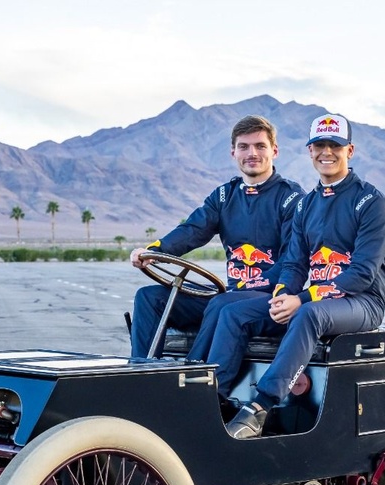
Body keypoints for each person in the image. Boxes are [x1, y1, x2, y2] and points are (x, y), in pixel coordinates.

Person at [212, 113, 385, 439]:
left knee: (308, 313)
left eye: (335, 145)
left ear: (349, 151)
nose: (327, 152)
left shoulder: (371, 203)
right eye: (320, 145)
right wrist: (282, 295)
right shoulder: (306, 205)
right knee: (234, 312)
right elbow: (294, 264)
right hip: (320, 301)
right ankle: (214, 401)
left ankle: (260, 407)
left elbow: (362, 275)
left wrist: (303, 298)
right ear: (310, 151)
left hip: (362, 303)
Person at [128, 115, 303, 360]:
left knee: (221, 304)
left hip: (271, 300)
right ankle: (141, 373)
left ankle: (193, 376)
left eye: (260, 146)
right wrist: (155, 251)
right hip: (231, 295)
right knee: (149, 297)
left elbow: (291, 263)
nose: (251, 153)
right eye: (243, 147)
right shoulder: (223, 196)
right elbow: (192, 230)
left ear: (274, 151)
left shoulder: (292, 199)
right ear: (233, 152)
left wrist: (246, 287)